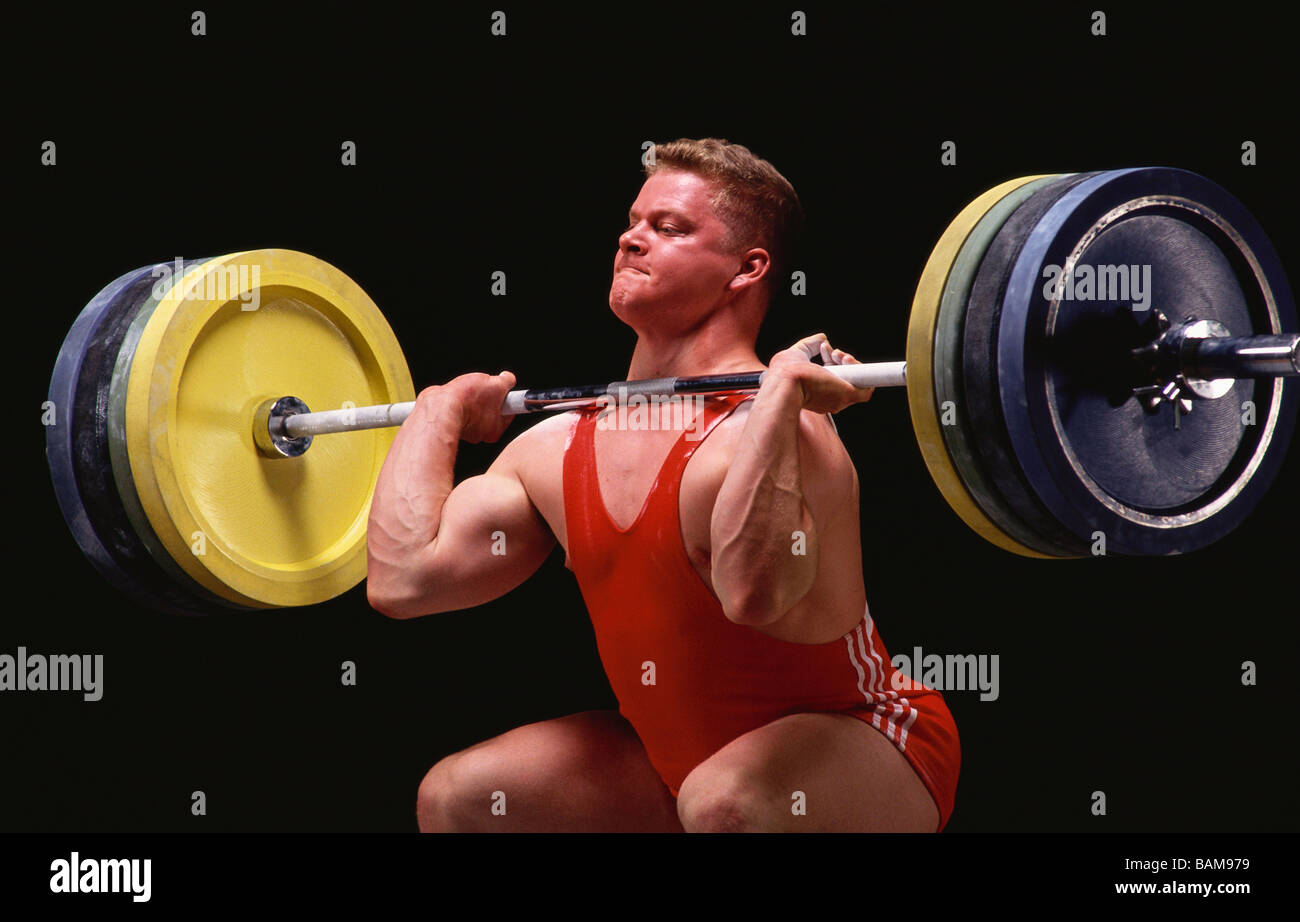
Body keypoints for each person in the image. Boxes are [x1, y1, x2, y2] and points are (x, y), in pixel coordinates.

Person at [367, 138, 960, 832]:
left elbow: (754, 595)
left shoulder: (791, 431)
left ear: (747, 269)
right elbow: (403, 582)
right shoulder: (553, 449)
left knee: (725, 806)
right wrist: (437, 412)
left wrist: (778, 394)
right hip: (680, 767)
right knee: (459, 797)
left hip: (869, 740)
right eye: (633, 222)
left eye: (669, 227)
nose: (630, 239)